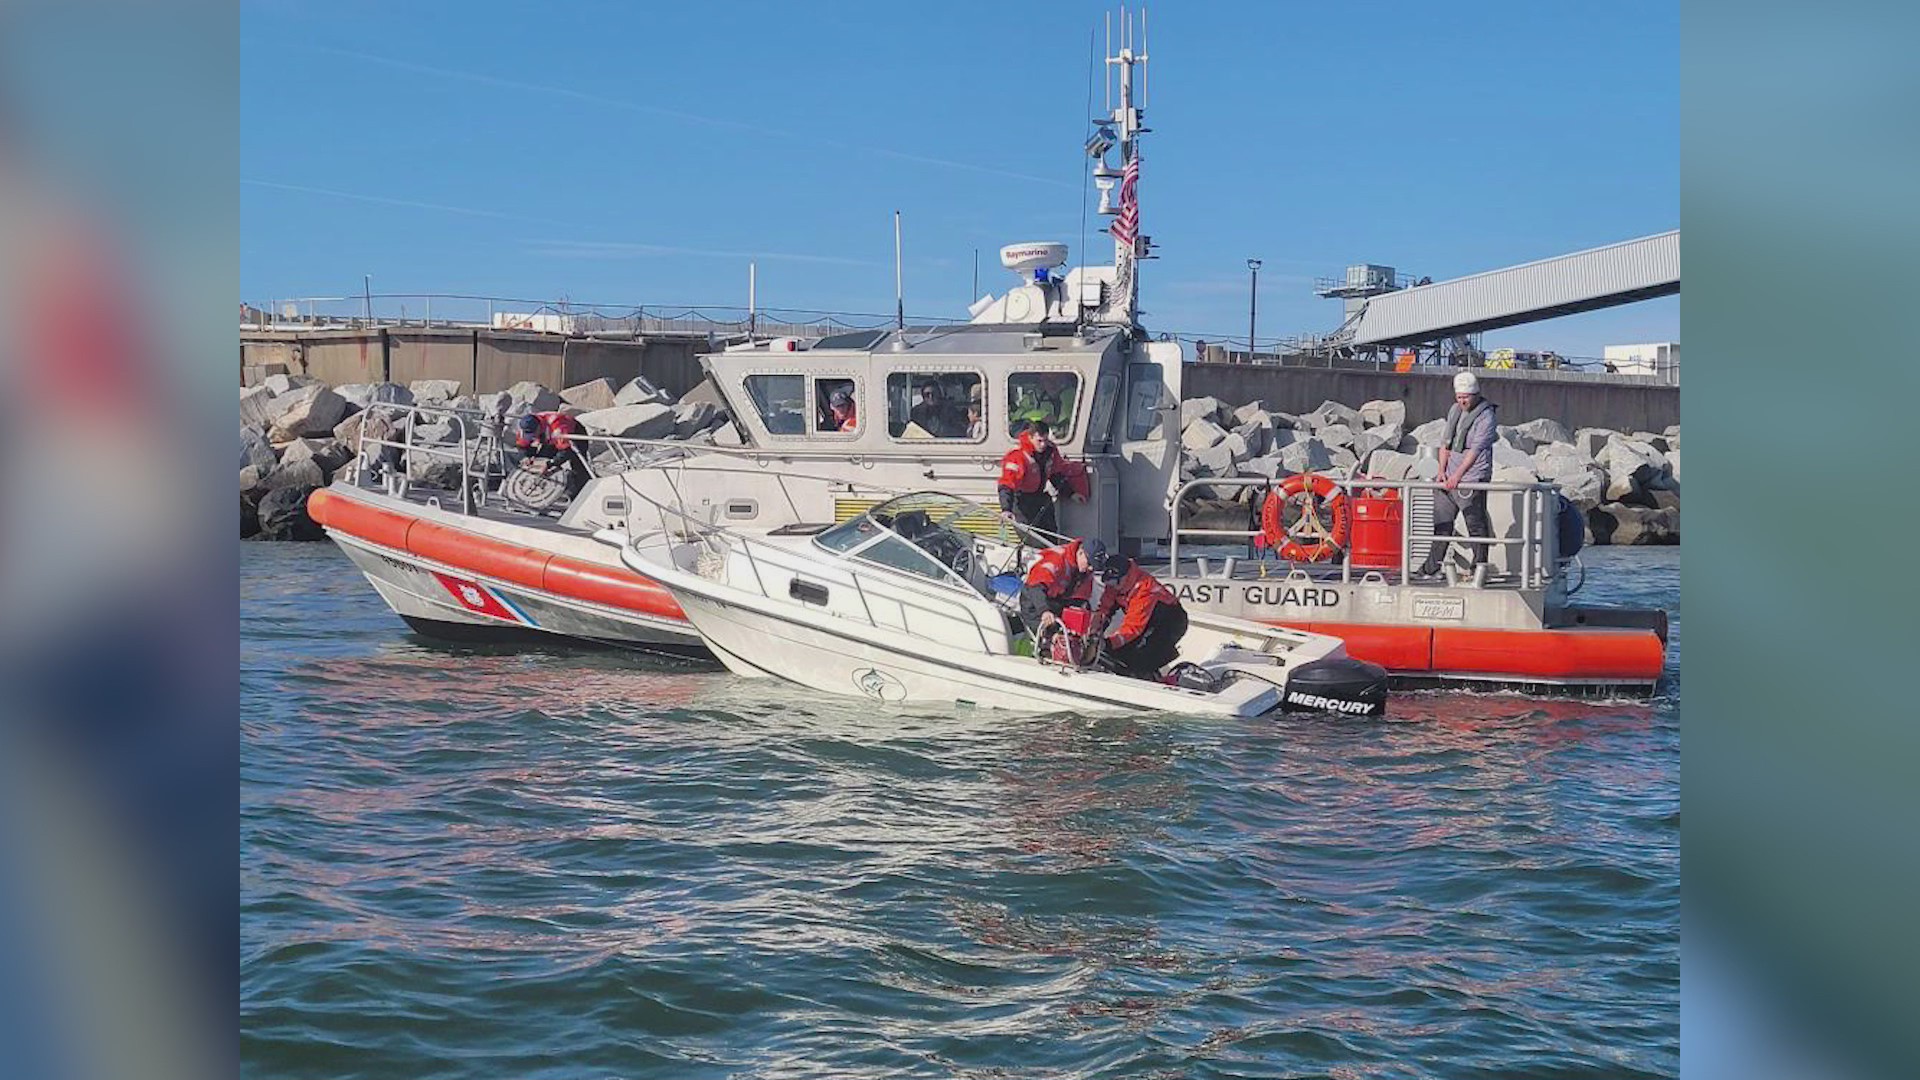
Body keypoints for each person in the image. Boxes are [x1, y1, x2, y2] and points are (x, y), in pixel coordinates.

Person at [1415, 370, 1497, 579]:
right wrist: (1441, 471)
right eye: (1459, 397)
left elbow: (1475, 451)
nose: (1462, 401)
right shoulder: (1454, 411)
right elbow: (1445, 444)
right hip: (1449, 476)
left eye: (1465, 397)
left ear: (1475, 395)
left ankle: (1479, 568)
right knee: (1441, 522)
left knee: (1475, 524)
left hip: (1472, 477)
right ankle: (1431, 567)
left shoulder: (1486, 417)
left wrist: (1458, 476)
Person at [1090, 556, 1188, 679]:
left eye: (1114, 583)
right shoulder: (1115, 585)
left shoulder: (1145, 590)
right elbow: (1105, 608)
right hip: (1146, 622)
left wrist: (1108, 643)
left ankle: (1150, 679)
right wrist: (1094, 630)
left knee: (1140, 659)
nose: (1112, 586)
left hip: (1170, 623)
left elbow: (1133, 628)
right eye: (1109, 582)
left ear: (1125, 578)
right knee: (1119, 653)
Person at [997, 420, 1089, 534]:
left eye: (1045, 440)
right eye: (1039, 441)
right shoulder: (1017, 456)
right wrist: (1006, 509)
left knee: (1051, 534)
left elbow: (1056, 474)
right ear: (1030, 437)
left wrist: (1071, 493)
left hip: (1040, 497)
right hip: (1022, 501)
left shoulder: (1051, 451)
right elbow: (1007, 484)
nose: (1043, 445)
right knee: (1032, 537)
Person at [1017, 537, 1105, 638]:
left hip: (1059, 601)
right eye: (1089, 564)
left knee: (1076, 636)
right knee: (1051, 637)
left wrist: (1090, 618)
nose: (1090, 568)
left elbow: (1082, 598)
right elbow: (1035, 587)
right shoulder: (1056, 560)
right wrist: (1044, 611)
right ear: (1080, 553)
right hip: (1035, 600)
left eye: (1093, 566)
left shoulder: (1085, 572)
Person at [514, 410, 590, 499]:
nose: (532, 437)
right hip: (549, 437)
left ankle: (581, 494)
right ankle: (539, 493)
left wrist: (550, 463)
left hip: (572, 433)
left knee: (578, 465)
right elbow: (522, 445)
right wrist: (525, 457)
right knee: (538, 462)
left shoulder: (557, 426)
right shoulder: (525, 428)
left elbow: (566, 451)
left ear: (538, 427)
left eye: (533, 434)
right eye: (529, 435)